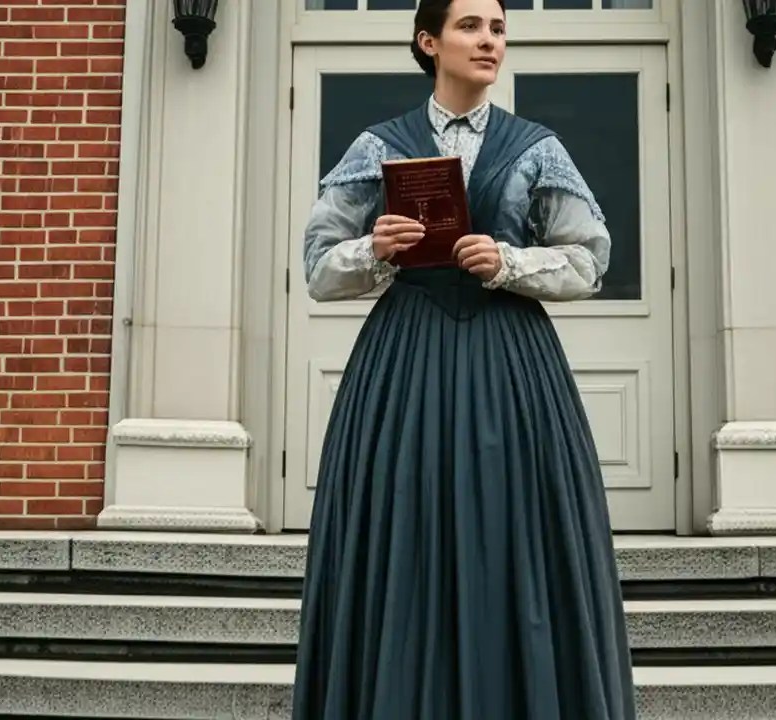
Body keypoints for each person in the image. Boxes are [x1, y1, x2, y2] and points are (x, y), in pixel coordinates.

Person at [291, 0, 636, 717]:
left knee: (512, 533)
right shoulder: (378, 146)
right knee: (404, 530)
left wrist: (509, 261)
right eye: (470, 27)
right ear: (429, 41)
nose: (489, 41)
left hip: (510, 366)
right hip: (404, 365)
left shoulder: (537, 147)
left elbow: (590, 260)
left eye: (498, 29)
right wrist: (375, 249)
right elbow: (319, 269)